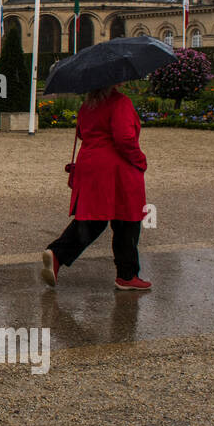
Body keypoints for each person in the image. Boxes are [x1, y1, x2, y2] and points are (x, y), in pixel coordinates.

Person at [40, 84, 152, 291]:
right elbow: (124, 138)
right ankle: (127, 275)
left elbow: (82, 133)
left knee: (92, 219)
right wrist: (140, 160)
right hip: (116, 169)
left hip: (89, 164)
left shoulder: (88, 105)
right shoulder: (120, 102)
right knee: (127, 220)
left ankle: (57, 254)